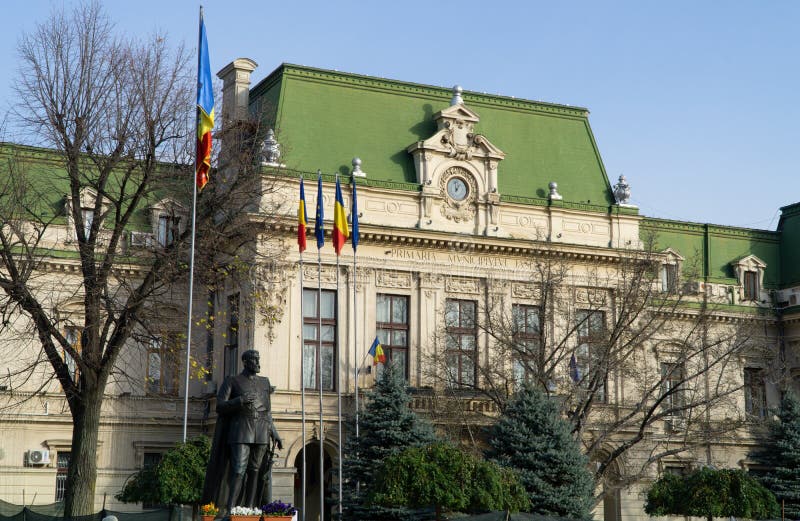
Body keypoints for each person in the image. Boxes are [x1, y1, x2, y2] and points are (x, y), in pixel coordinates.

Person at [202, 349, 283, 514]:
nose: (258, 362)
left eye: (258, 359)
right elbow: (220, 406)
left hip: (261, 431)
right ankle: (231, 509)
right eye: (254, 359)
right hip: (240, 432)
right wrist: (240, 401)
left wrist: (274, 432)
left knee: (255, 471)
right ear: (245, 362)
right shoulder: (232, 381)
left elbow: (267, 412)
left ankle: (251, 509)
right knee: (239, 470)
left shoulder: (265, 382)